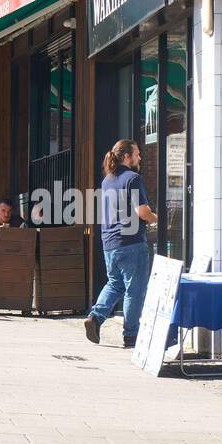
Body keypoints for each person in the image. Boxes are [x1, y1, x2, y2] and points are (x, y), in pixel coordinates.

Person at [84, 139, 158, 349]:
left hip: (110, 242)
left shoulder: (108, 180)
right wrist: (155, 218)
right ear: (126, 157)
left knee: (114, 283)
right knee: (134, 290)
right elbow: (141, 212)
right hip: (131, 243)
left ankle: (95, 317)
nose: (140, 157)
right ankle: (131, 335)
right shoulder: (133, 178)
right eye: (136, 153)